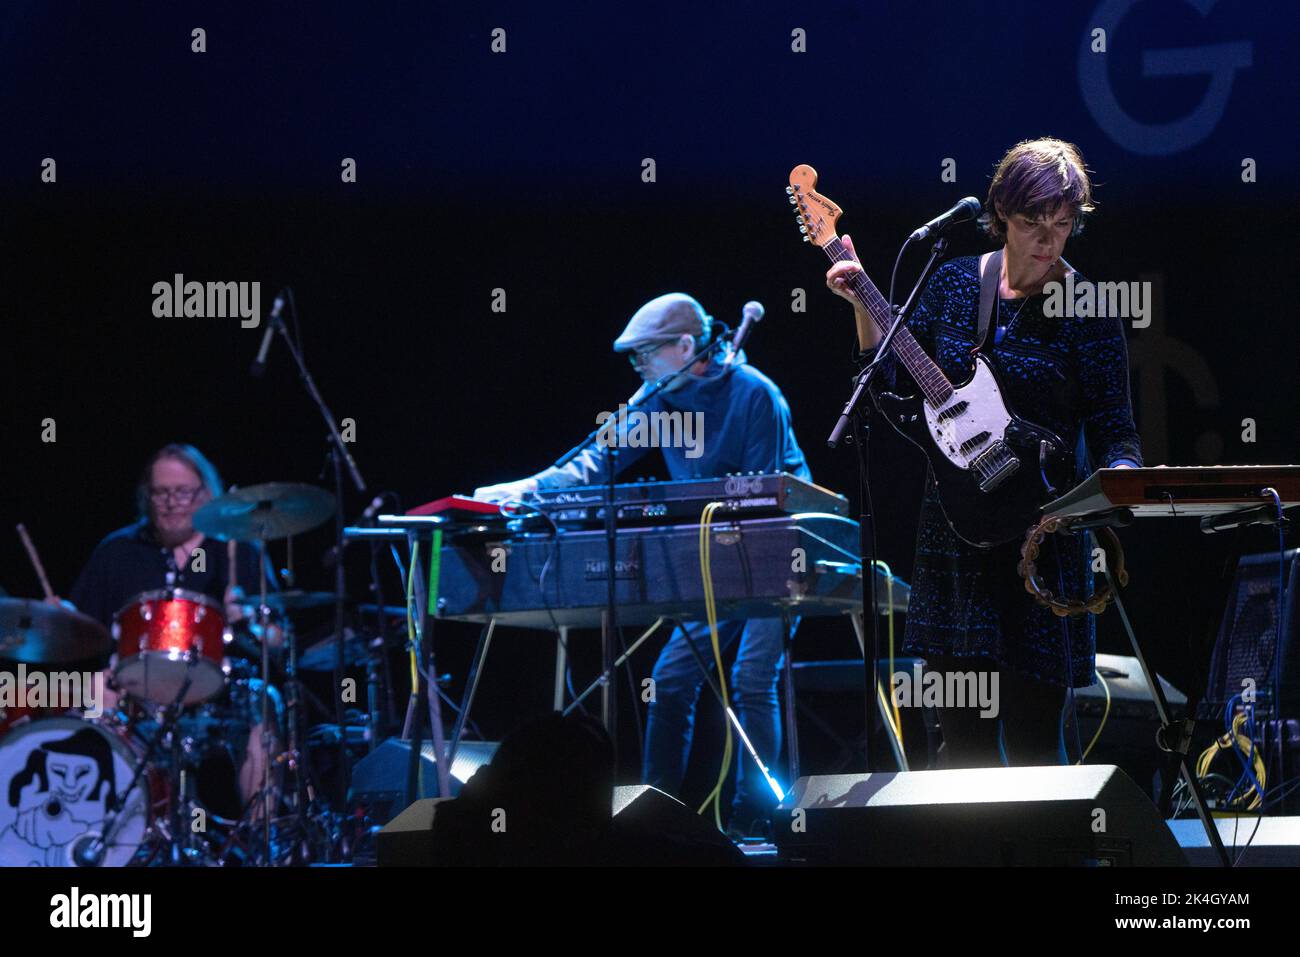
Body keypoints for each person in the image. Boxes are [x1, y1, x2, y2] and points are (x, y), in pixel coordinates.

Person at [825, 138, 1141, 768]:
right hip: (955, 534)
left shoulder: (1089, 307)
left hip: (1044, 540)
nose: (1048, 241)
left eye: (1063, 224)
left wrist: (1116, 490)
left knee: (1032, 746)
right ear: (1001, 215)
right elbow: (884, 383)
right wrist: (862, 301)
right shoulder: (949, 282)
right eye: (1031, 224)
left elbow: (1116, 430)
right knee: (962, 747)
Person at [474, 293, 809, 836]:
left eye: (644, 355)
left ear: (684, 346)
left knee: (751, 677)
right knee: (670, 679)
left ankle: (763, 817)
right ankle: (658, 816)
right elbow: (594, 461)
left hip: (774, 552)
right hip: (707, 555)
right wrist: (529, 489)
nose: (638, 368)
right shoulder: (658, 405)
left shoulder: (756, 395)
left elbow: (763, 498)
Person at [53, 443, 284, 816]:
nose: (171, 502)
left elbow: (278, 640)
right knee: (92, 689)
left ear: (207, 494)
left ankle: (263, 839)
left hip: (218, 693)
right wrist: (63, 621)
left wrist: (249, 621)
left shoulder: (236, 550)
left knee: (262, 699)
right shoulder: (118, 550)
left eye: (183, 492)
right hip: (133, 696)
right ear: (147, 496)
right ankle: (106, 829)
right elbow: (82, 632)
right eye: (160, 492)